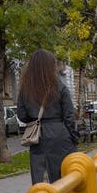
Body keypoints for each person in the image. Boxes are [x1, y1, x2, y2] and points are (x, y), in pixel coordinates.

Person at [17, 49, 78, 184]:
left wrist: (35, 119)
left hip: (37, 136)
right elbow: (69, 116)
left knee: (41, 174)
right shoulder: (60, 87)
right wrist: (73, 137)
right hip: (60, 134)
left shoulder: (25, 89)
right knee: (64, 174)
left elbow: (21, 115)